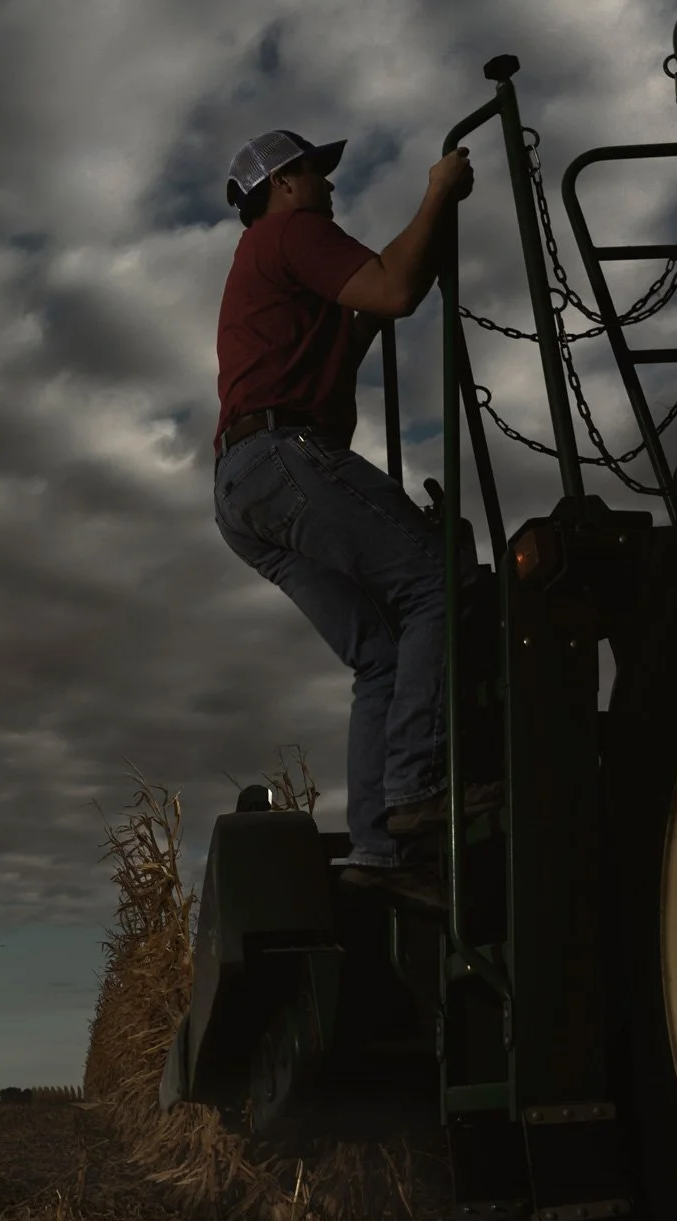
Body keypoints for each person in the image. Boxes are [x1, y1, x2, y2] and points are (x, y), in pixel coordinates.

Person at [213, 129, 499, 907]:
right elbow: (394, 291)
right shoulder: (293, 232)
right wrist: (437, 189)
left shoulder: (269, 266)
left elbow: (378, 304)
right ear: (284, 183)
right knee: (438, 585)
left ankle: (380, 846)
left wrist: (429, 233)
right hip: (283, 458)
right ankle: (417, 788)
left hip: (243, 488)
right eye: (317, 173)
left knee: (378, 653)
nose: (329, 187)